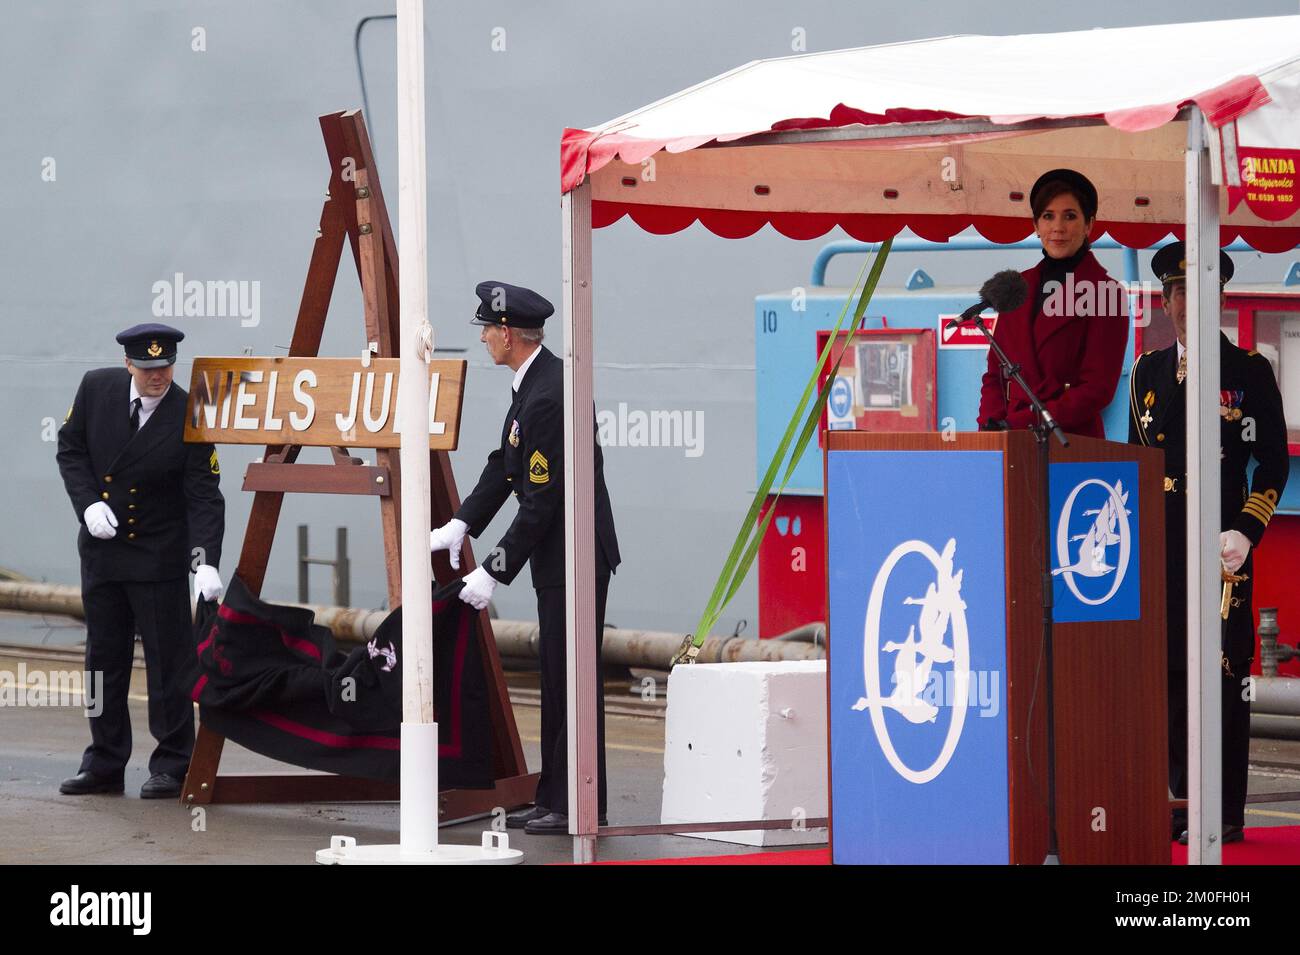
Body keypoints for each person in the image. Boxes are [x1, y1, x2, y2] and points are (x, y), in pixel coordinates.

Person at [430, 282, 620, 834]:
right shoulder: (535, 383)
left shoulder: (547, 395)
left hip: (575, 559)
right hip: (558, 557)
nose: (484, 337)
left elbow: (543, 499)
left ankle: (578, 804)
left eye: (487, 329)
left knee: (573, 681)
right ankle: (556, 796)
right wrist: (461, 523)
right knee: (557, 678)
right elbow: (503, 461)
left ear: (508, 334)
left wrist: (492, 569)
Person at [1128, 242, 1288, 844]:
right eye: (1177, 293)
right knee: (1169, 677)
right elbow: (1138, 466)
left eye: (1199, 292)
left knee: (1225, 678)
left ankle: (1223, 812)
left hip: (1223, 549)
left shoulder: (1250, 371)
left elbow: (1272, 468)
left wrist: (1247, 532)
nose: (1187, 303)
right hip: (1163, 547)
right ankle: (1178, 806)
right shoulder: (1147, 373)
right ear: (1167, 303)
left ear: (1217, 298)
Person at [56, 323, 225, 799]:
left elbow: (204, 495)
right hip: (104, 554)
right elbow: (71, 449)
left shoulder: (190, 411)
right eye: (149, 367)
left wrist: (204, 561)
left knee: (169, 666)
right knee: (100, 665)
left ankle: (173, 763)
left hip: (158, 557)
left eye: (166, 366)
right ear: (129, 364)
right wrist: (88, 504)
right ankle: (104, 762)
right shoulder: (96, 389)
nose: (159, 375)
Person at [977, 168, 1129, 437]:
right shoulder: (1015, 287)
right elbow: (995, 375)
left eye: (1070, 216)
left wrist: (1019, 423)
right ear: (1036, 225)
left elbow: (1097, 391)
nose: (1057, 227)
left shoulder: (1106, 293)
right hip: (1010, 442)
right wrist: (989, 427)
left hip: (1071, 442)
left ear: (1089, 225)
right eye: (1048, 216)